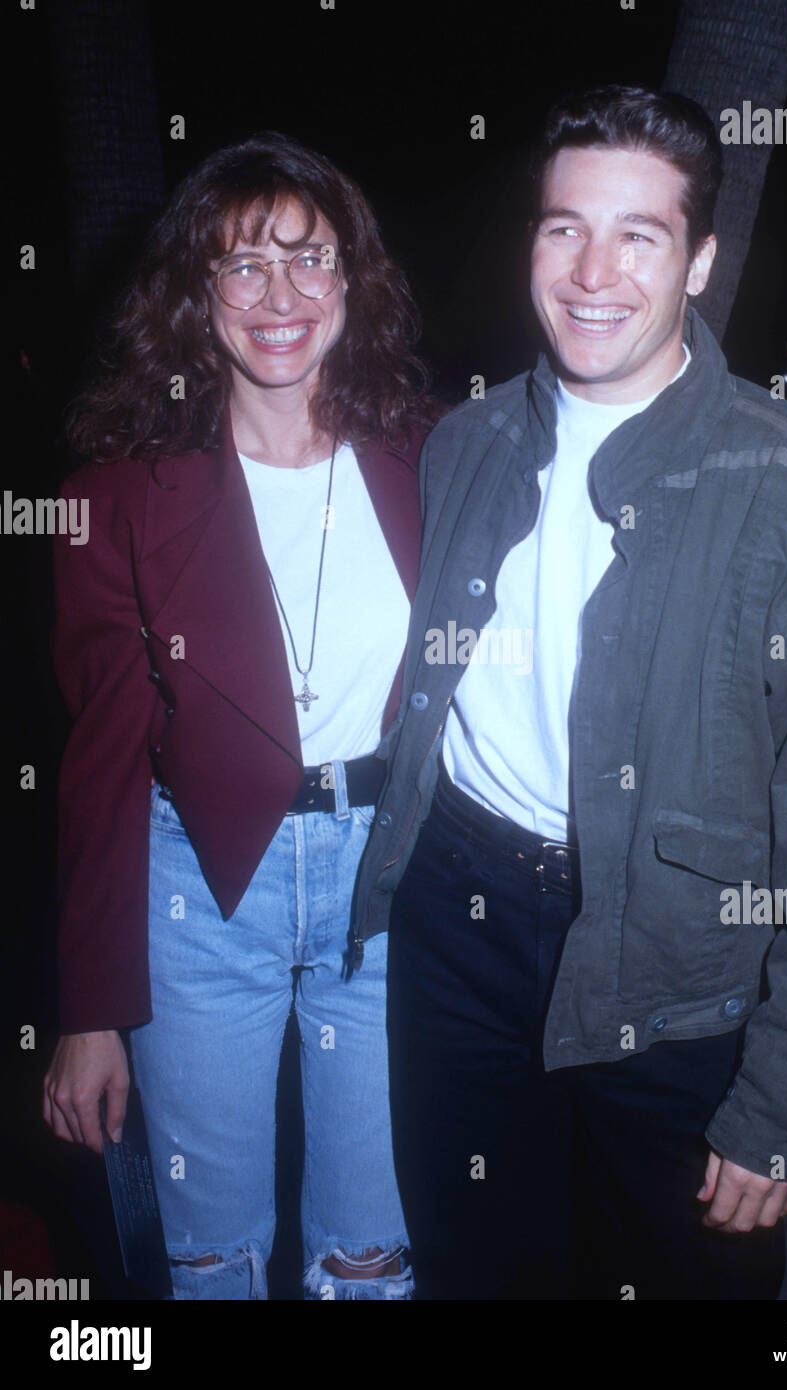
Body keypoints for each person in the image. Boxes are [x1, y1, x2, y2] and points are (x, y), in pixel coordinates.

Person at [347, 85, 787, 1299]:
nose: (591, 269)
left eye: (639, 234)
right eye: (563, 227)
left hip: (678, 974)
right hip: (463, 922)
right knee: (481, 1261)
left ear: (700, 258)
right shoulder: (469, 442)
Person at [42, 131, 431, 1300]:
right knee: (209, 1254)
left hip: (390, 884)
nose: (281, 297)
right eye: (242, 265)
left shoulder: (431, 457)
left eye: (310, 260)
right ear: (194, 295)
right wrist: (90, 1009)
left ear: (351, 282)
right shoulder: (107, 495)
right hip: (199, 892)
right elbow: (99, 757)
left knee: (371, 1254)